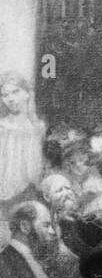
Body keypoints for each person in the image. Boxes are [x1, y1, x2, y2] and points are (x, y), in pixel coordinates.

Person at [0, 71, 45, 205]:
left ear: (27, 93)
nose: (11, 99)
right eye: (5, 95)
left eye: (15, 92)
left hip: (30, 192)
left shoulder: (38, 127)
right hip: (4, 194)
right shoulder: (3, 127)